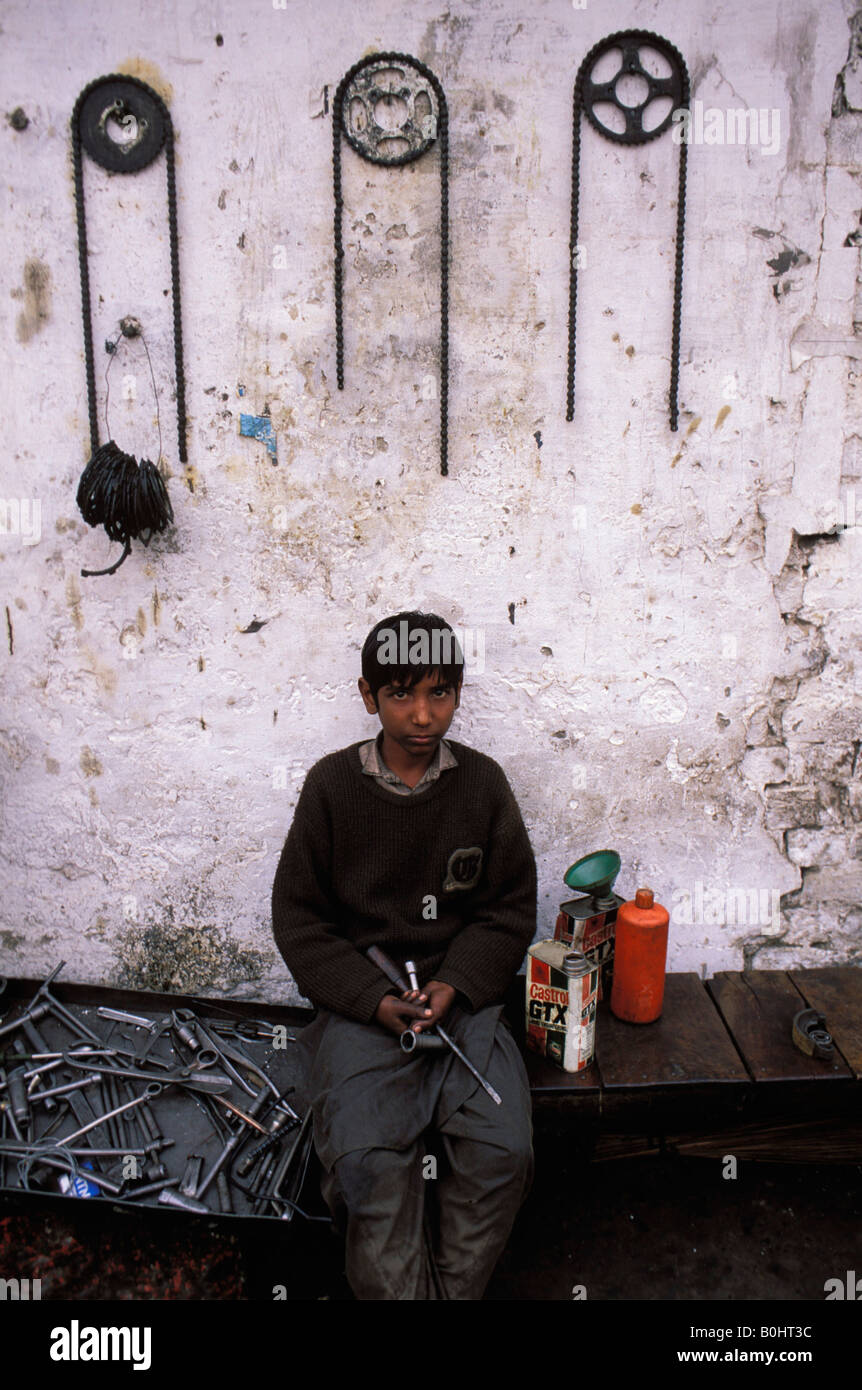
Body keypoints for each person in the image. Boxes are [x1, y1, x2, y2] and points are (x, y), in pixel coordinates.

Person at [271, 610, 536, 1300]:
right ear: (368, 695)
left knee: (501, 1152)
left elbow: (507, 910)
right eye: (401, 694)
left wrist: (456, 984)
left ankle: (451, 1292)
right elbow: (300, 921)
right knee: (366, 1166)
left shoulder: (482, 786)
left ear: (458, 693)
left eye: (439, 693)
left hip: (461, 1009)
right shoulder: (332, 788)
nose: (422, 715)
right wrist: (372, 1000)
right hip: (364, 1013)